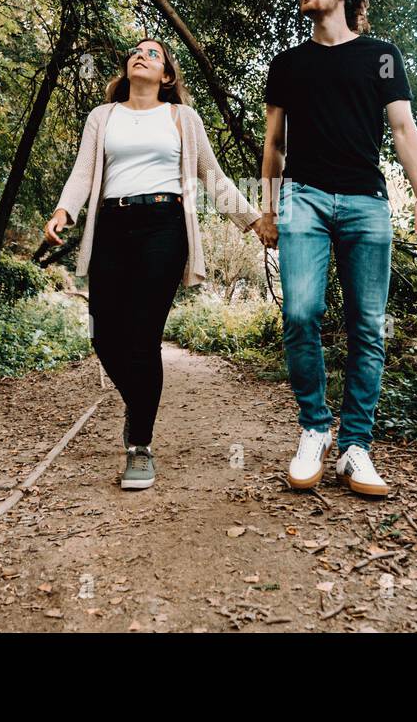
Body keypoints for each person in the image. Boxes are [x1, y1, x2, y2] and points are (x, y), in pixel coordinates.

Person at [254, 0, 417, 497]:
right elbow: (273, 144)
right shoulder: (287, 64)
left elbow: (404, 129)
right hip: (302, 199)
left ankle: (355, 446)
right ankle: (314, 428)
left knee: (367, 326)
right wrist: (268, 208)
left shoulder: (381, 57)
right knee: (300, 311)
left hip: (366, 202)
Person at [44, 37, 262, 490]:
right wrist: (65, 210)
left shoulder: (183, 118)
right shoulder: (102, 117)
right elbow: (83, 171)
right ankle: (139, 403)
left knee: (143, 337)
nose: (142, 55)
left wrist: (254, 220)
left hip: (164, 226)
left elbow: (213, 176)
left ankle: (139, 446)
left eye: (154, 53)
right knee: (105, 335)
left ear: (166, 76)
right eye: (136, 51)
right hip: (111, 225)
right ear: (128, 68)